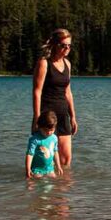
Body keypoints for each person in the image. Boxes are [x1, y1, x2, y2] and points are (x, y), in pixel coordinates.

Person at [32, 28, 78, 168]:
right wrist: (37, 118)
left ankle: (61, 188)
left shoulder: (67, 64)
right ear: (54, 45)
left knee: (65, 159)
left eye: (69, 46)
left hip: (63, 114)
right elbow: (37, 92)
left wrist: (73, 117)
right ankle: (41, 187)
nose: (67, 48)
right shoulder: (44, 63)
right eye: (63, 45)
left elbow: (68, 92)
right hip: (47, 115)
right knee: (44, 160)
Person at [26, 111, 60, 179]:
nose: (49, 132)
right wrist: (28, 169)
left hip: (50, 169)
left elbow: (55, 152)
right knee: (37, 181)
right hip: (37, 169)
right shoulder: (35, 139)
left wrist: (58, 166)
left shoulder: (54, 138)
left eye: (52, 130)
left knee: (54, 182)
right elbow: (30, 154)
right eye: (45, 130)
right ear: (39, 127)